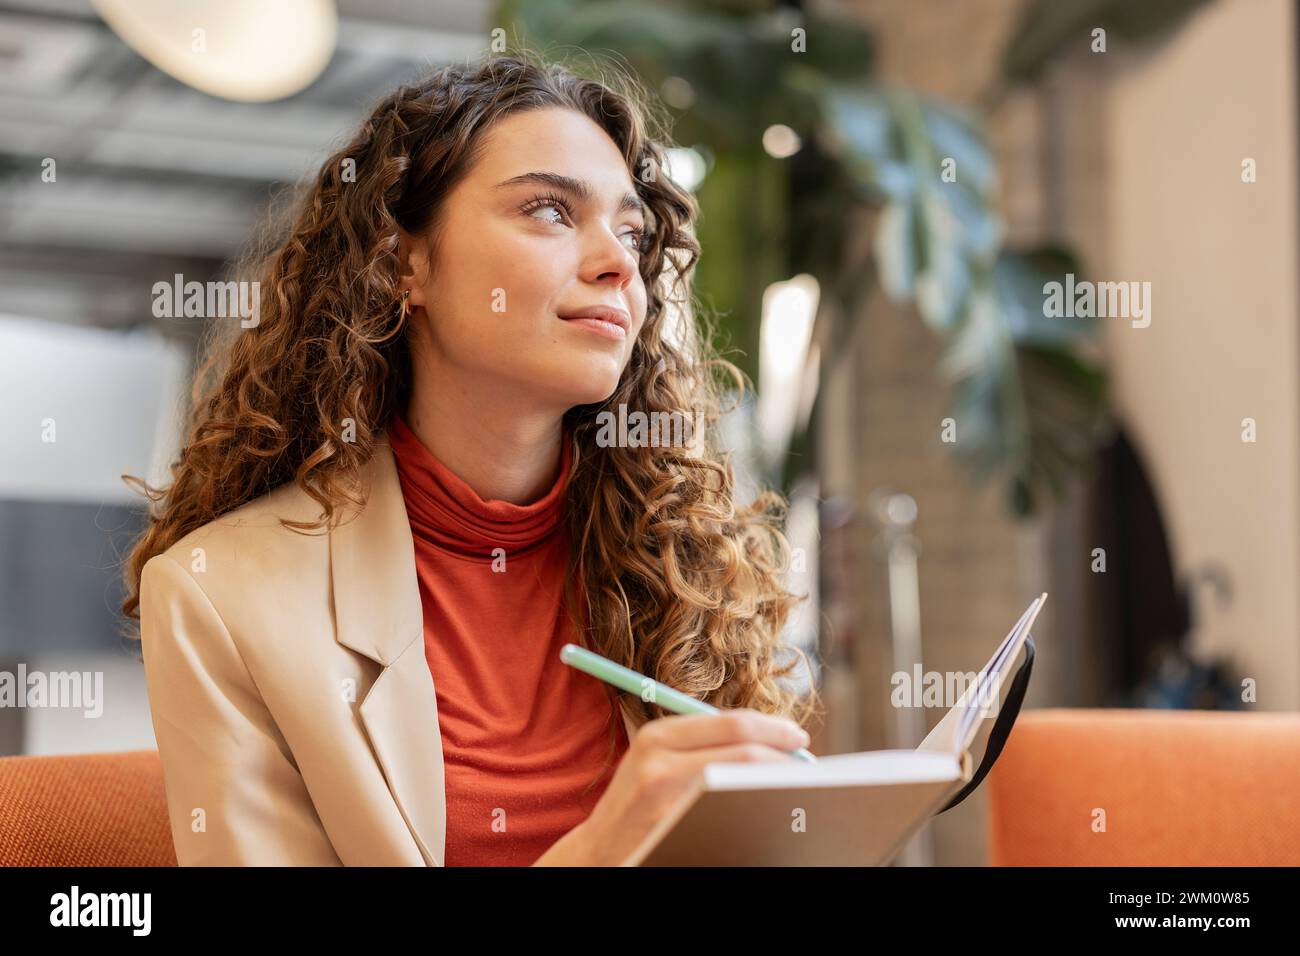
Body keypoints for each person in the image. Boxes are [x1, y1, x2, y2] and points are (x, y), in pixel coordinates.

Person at [121, 49, 819, 866]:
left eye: (632, 231)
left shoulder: (687, 563)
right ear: (401, 264)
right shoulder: (221, 597)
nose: (620, 263)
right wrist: (603, 851)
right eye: (551, 212)